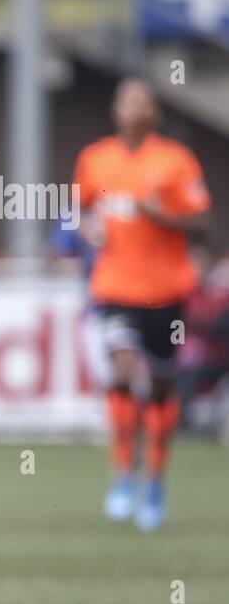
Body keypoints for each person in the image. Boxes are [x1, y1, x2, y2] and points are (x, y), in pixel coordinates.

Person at [74, 78, 211, 531]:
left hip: (166, 289)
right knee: (120, 366)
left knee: (158, 388)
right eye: (127, 101)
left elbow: (203, 222)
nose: (134, 109)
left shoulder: (175, 160)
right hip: (114, 286)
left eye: (143, 102)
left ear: (155, 111)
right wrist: (87, 231)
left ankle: (154, 480)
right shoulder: (95, 159)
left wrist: (161, 216)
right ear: (116, 110)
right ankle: (121, 474)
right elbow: (79, 214)